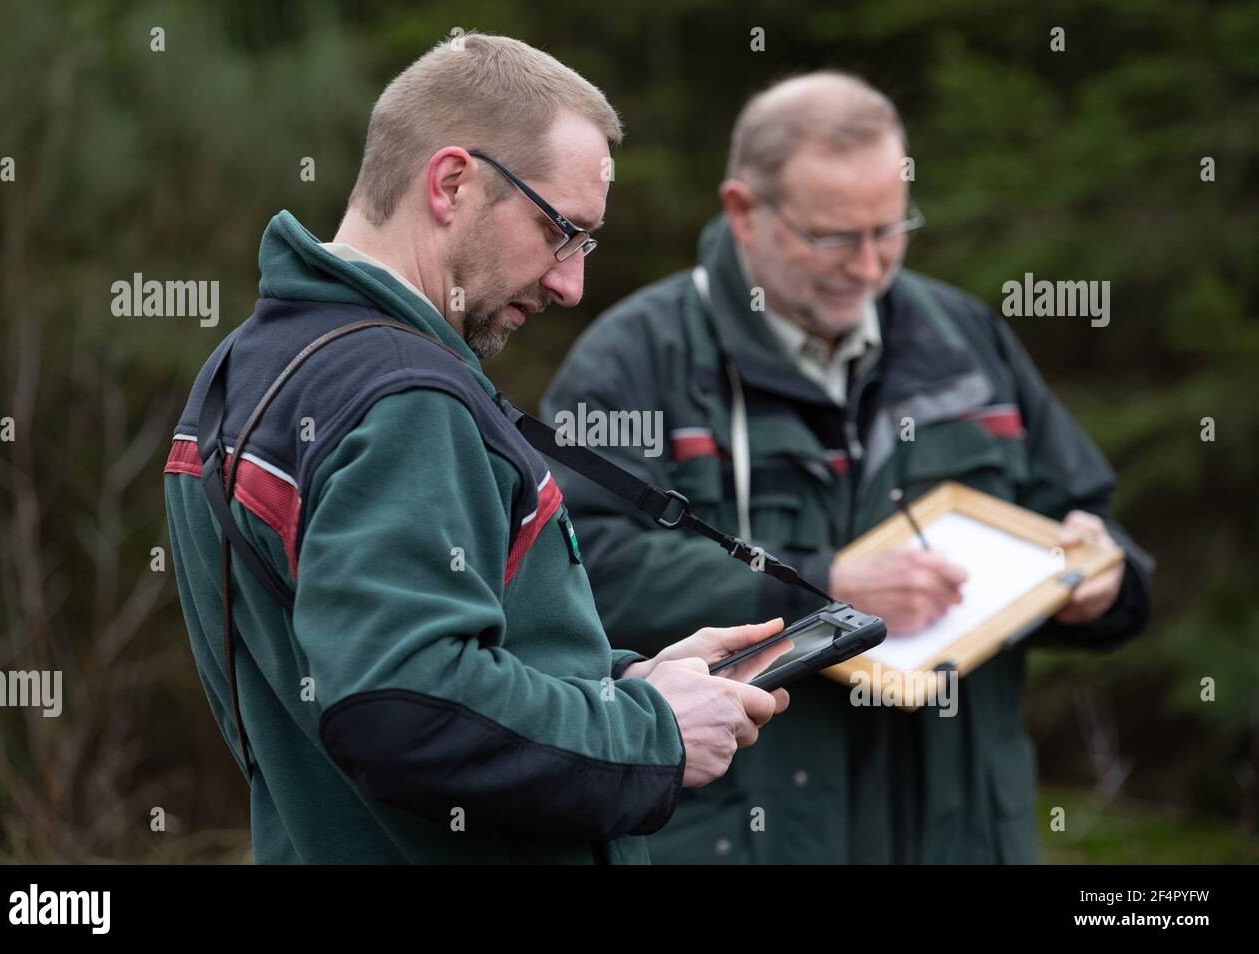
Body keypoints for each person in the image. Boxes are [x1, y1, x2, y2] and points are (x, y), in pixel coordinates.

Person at [163, 33, 789, 865]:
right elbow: (404, 706)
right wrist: (652, 731)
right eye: (559, 230)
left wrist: (622, 686)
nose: (570, 283)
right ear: (452, 182)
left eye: (585, 245)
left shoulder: (248, 366)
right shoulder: (403, 400)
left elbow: (398, 673)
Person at [542, 71, 1154, 864]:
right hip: (750, 838)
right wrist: (818, 585)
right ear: (744, 211)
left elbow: (1092, 523)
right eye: (835, 237)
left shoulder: (964, 341)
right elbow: (575, 578)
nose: (869, 266)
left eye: (891, 230)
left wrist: (1103, 580)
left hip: (966, 835)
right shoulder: (635, 363)